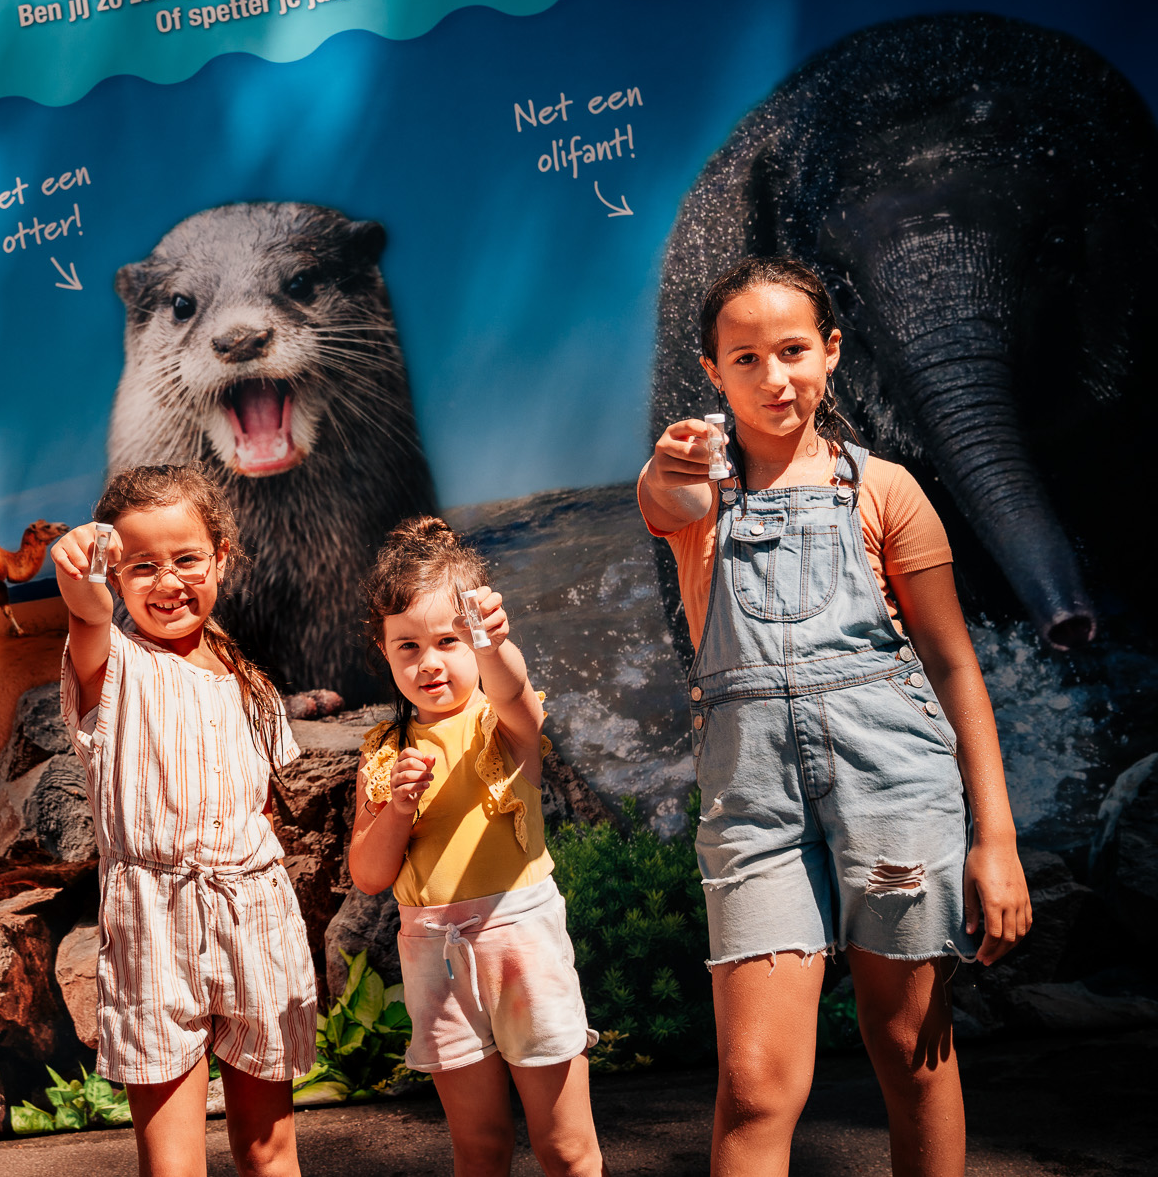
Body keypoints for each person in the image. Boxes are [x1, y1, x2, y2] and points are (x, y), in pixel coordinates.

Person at [638, 256, 1032, 1177]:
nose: (773, 377)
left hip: (897, 790)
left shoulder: (886, 490)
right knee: (754, 1085)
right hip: (756, 817)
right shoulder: (699, 487)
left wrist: (997, 839)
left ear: (832, 352)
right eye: (745, 358)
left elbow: (951, 663)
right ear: (712, 371)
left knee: (912, 1054)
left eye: (793, 350)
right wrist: (670, 465)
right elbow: (670, 500)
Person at [51, 464, 318, 1177]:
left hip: (254, 913)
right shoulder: (114, 663)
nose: (167, 582)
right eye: (141, 566)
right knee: (172, 1165)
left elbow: (261, 803)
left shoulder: (248, 678)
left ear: (221, 557)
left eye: (186, 559)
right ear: (115, 572)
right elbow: (83, 609)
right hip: (153, 923)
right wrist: (79, 564)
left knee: (270, 1149)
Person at [346, 517, 603, 1177]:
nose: (429, 661)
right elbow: (371, 875)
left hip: (521, 937)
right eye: (407, 646)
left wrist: (494, 645)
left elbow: (515, 691)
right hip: (434, 952)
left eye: (449, 640)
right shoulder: (383, 751)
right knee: (481, 1148)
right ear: (383, 649)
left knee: (567, 1148)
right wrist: (398, 806)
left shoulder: (501, 722)